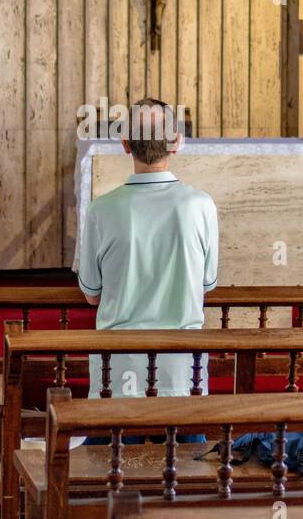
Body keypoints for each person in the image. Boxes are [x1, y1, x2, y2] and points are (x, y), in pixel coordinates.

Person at [77, 98, 219, 442]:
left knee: (105, 467)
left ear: (125, 145)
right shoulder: (200, 205)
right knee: (186, 471)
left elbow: (91, 294)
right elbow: (207, 285)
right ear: (177, 142)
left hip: (118, 371)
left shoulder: (102, 210)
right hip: (182, 372)